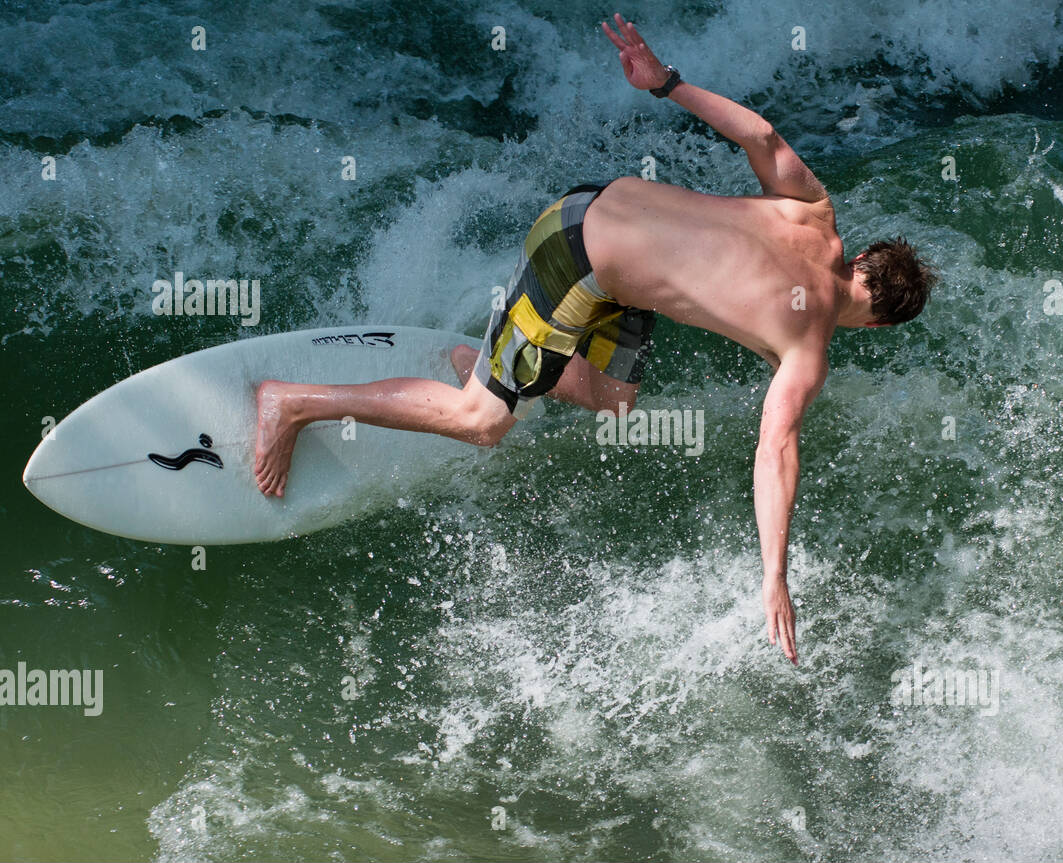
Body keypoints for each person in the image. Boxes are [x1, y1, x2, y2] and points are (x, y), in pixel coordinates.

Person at [253, 13, 937, 665]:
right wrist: (774, 575)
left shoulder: (814, 209)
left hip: (601, 213)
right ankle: (294, 402)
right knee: (483, 422)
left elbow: (759, 135)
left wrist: (666, 82)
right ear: (877, 322)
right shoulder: (808, 349)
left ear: (864, 261)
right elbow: (775, 451)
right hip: (576, 255)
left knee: (613, 400)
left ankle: (492, 357)